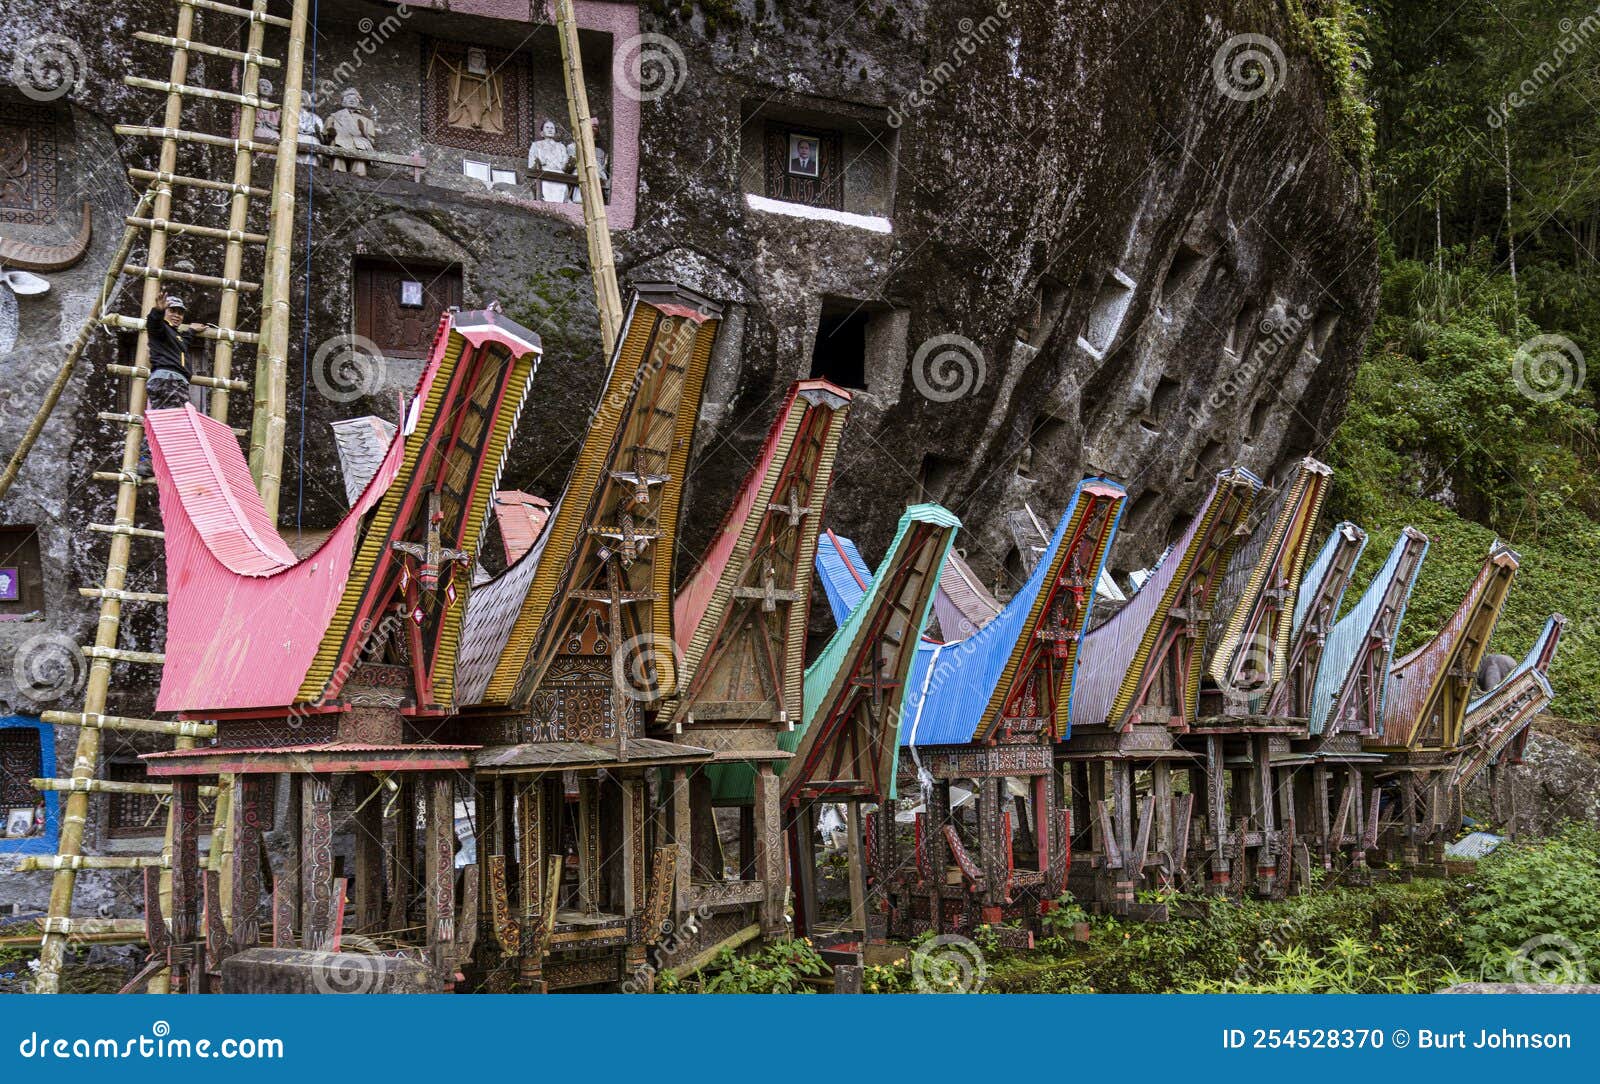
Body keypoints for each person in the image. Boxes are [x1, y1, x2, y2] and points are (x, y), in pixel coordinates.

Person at [138, 295, 205, 476]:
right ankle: (147, 461)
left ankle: (150, 461)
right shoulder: (160, 329)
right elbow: (153, 323)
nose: (177, 315)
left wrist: (191, 330)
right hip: (167, 380)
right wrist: (158, 310)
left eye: (180, 313)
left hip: (173, 382)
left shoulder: (175, 335)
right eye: (172, 311)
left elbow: (183, 344)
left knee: (169, 420)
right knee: (169, 421)